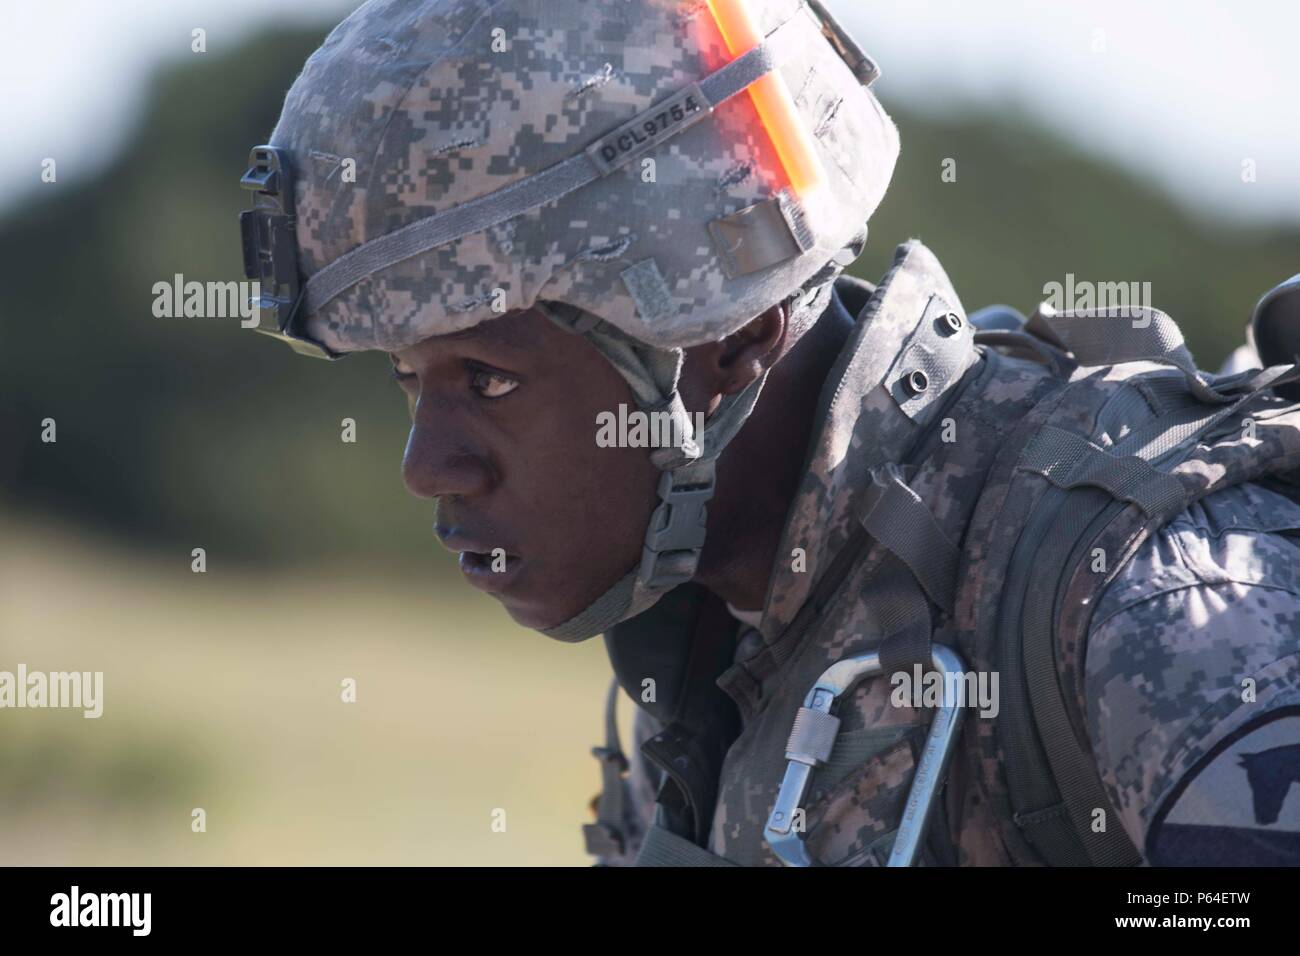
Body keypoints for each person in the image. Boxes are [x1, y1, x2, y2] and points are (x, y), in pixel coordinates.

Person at [238, 0, 1300, 865]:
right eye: (408, 380)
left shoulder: (1138, 600)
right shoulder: (700, 651)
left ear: (735, 335)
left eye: (488, 377)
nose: (428, 467)